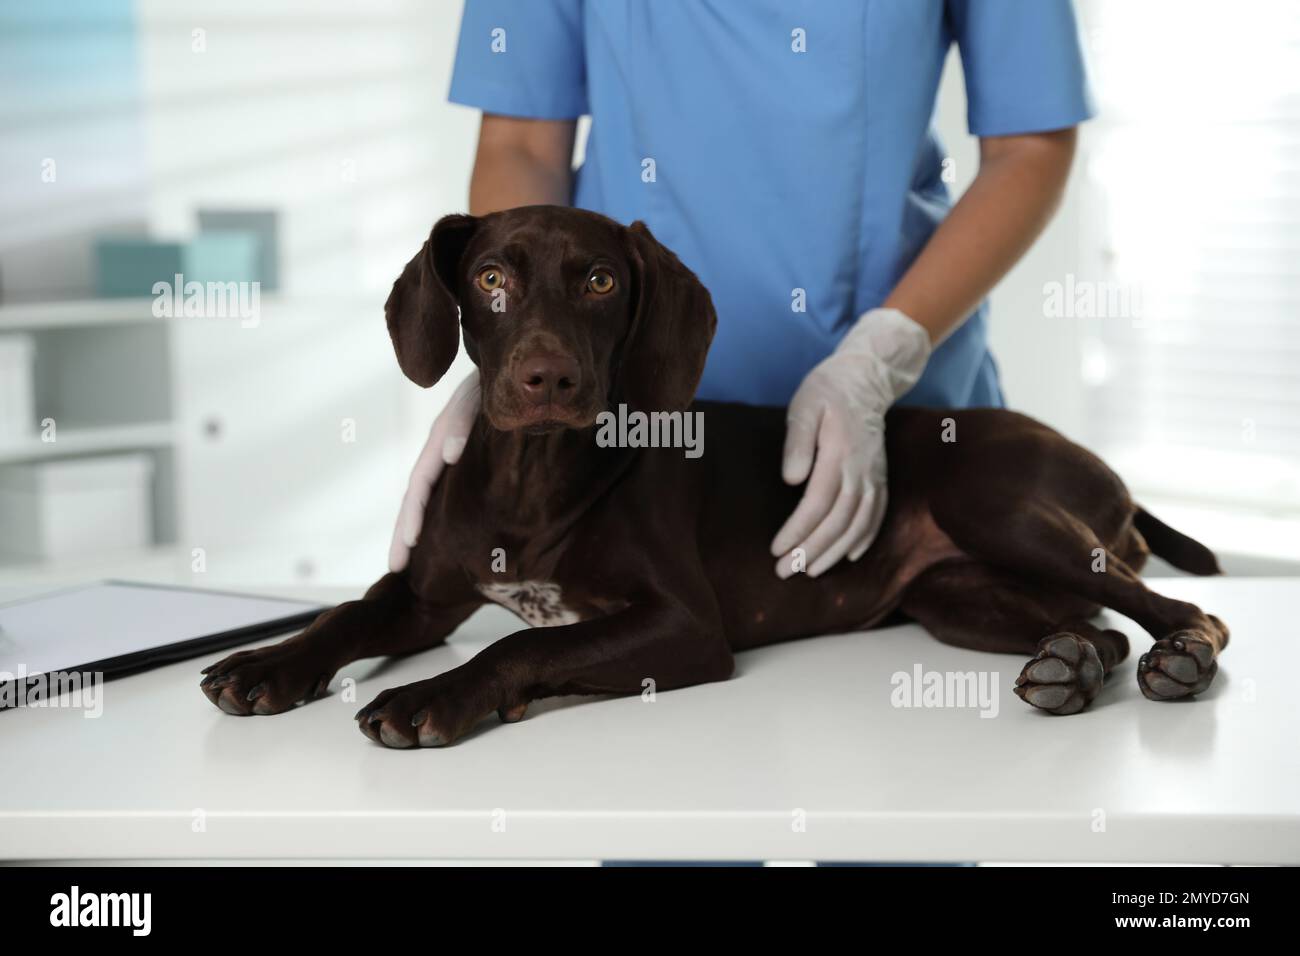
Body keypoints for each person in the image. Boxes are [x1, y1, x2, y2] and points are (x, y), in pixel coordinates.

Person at [390, 0, 1094, 579]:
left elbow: (1029, 146)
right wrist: (518, 345)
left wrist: (878, 360)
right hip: (619, 438)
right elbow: (521, 143)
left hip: (890, 439)